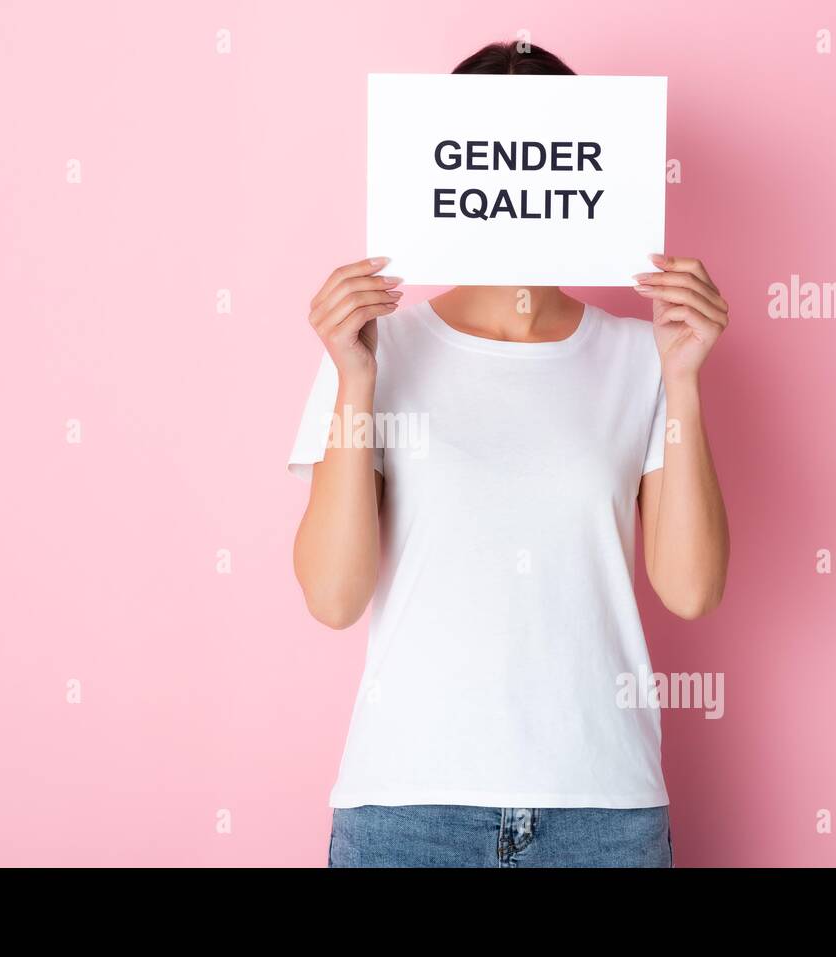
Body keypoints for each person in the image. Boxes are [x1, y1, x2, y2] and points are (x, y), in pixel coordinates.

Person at [288, 41, 730, 868]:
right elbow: (334, 594)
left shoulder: (645, 356)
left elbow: (693, 587)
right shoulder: (375, 348)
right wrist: (354, 379)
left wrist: (686, 382)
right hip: (406, 810)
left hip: (603, 812)